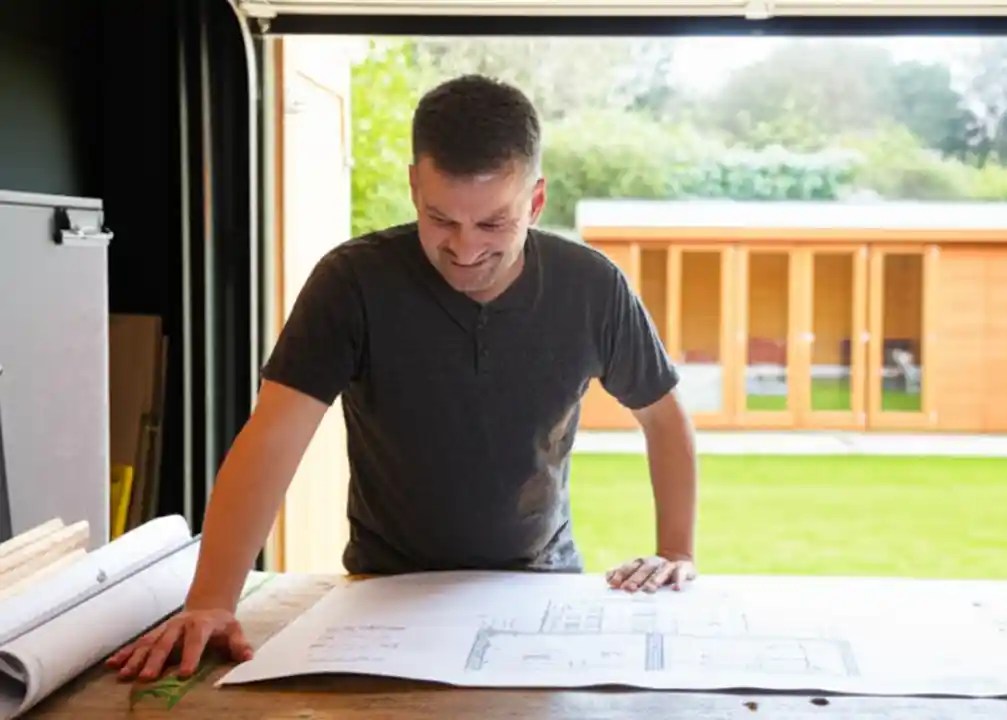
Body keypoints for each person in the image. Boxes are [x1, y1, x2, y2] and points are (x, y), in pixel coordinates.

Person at [106, 74, 698, 683]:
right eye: (441, 220)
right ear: (414, 185)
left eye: (493, 224)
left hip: (537, 587)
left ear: (536, 201)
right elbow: (272, 440)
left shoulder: (592, 287)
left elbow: (664, 416)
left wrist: (676, 551)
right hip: (384, 591)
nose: (465, 250)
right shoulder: (351, 284)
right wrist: (211, 600)